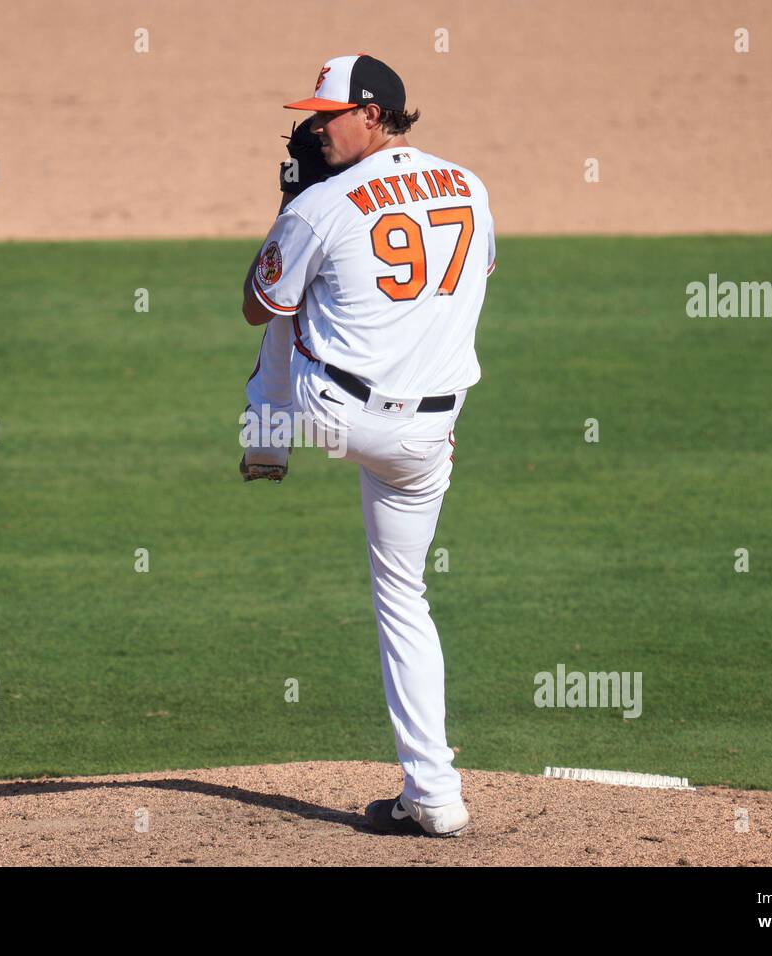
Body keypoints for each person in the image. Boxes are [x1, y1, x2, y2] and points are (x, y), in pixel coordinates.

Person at [239, 54, 495, 837]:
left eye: (330, 114)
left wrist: (292, 210)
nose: (316, 125)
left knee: (292, 304)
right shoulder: (472, 185)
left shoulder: (322, 203)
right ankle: (437, 795)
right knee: (405, 596)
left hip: (333, 415)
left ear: (374, 116)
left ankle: (265, 437)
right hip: (429, 436)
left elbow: (257, 306)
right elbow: (465, 278)